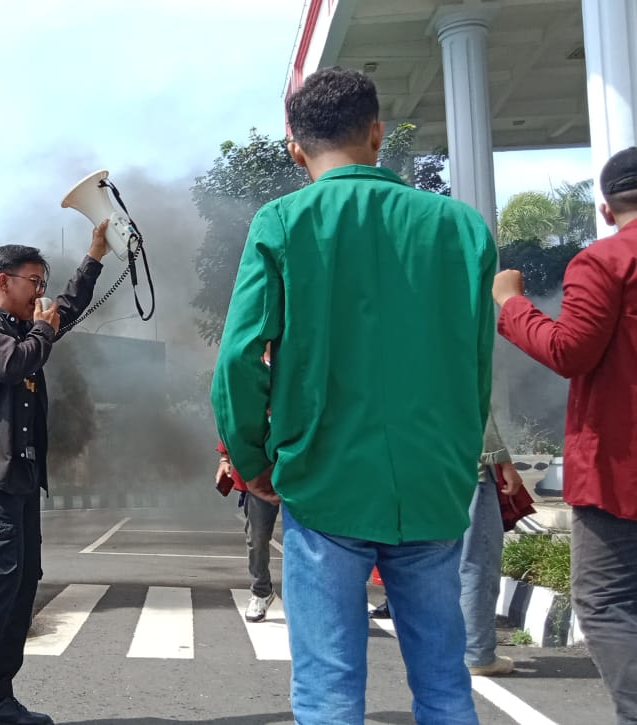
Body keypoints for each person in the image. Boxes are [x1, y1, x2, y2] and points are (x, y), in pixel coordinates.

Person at [211, 67, 495, 725]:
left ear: (294, 148)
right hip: (432, 484)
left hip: (323, 484)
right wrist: (458, 457)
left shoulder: (282, 222)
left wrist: (253, 461)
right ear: (376, 134)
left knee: (329, 694)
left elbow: (239, 358)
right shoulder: (462, 227)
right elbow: (477, 364)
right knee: (446, 689)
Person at [0, 225, 108, 725]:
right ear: (4, 281)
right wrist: (46, 327)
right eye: (34, 282)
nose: (41, 292)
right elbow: (12, 364)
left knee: (23, 583)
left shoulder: (25, 326)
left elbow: (62, 312)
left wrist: (94, 255)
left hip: (21, 476)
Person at [494, 146, 637, 723]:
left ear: (605, 209)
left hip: (619, 471)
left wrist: (511, 304)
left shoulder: (605, 262)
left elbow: (568, 350)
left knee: (603, 601)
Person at [215, 347, 277, 623]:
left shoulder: (303, 359)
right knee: (257, 535)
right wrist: (225, 457)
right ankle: (261, 590)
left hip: (301, 465)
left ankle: (318, 599)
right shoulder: (248, 367)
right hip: (259, 468)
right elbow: (231, 413)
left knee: (316, 538)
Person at [462, 416, 524, 677]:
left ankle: (446, 649)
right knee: (478, 560)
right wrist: (503, 462)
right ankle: (478, 653)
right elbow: (477, 404)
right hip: (466, 465)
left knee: (436, 563)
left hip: (420, 468)